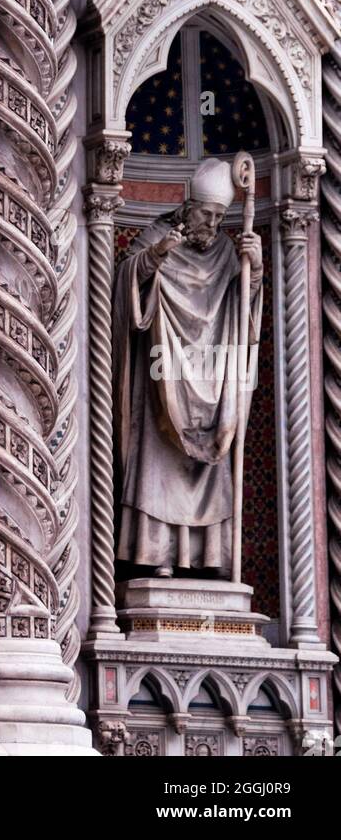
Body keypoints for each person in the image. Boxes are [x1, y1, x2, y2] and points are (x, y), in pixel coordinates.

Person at [113, 157, 263, 577]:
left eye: (220, 217)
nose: (213, 225)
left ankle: (208, 557)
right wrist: (157, 257)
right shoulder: (159, 235)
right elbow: (127, 283)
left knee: (212, 460)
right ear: (188, 204)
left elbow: (243, 317)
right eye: (207, 214)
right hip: (163, 378)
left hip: (212, 378)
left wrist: (257, 272)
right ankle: (157, 556)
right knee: (157, 461)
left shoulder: (228, 254)